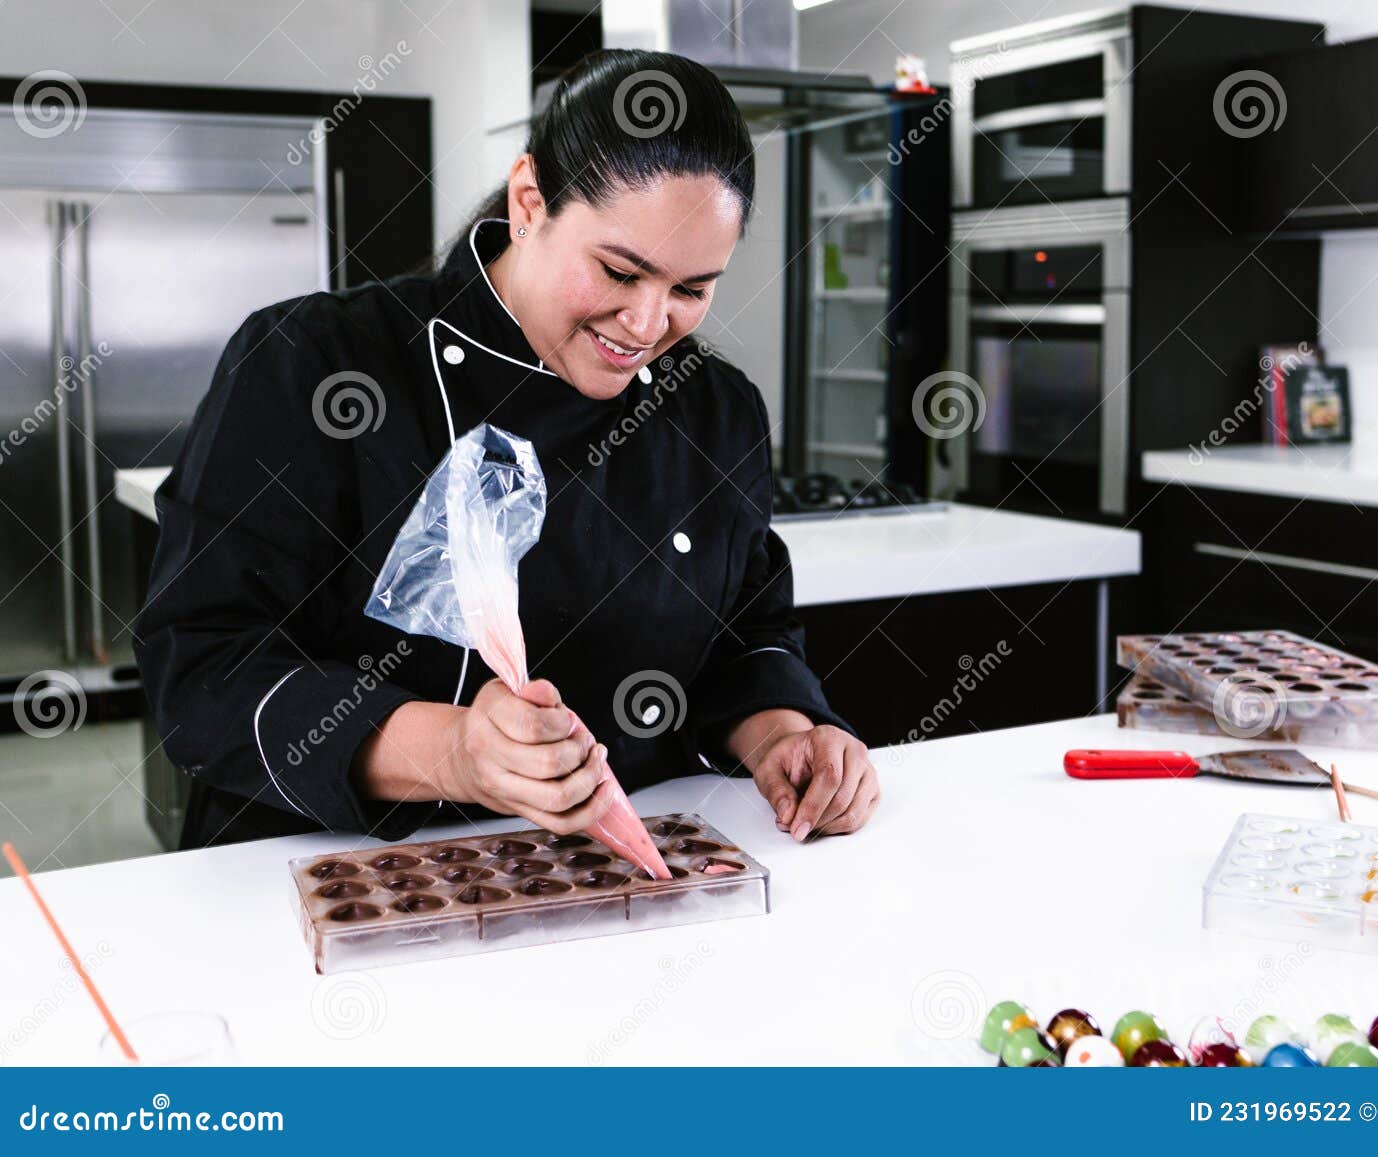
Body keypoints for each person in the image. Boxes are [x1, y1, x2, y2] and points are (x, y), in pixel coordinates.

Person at [135, 49, 879, 850]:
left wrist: (781, 733)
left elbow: (746, 634)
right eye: (619, 271)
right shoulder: (314, 362)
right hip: (331, 879)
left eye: (692, 289)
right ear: (530, 201)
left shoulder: (716, 410)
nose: (647, 324)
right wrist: (455, 753)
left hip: (616, 880)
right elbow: (201, 671)